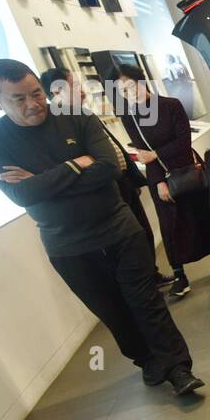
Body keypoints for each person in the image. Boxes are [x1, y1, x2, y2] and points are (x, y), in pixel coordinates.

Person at [0, 59, 203, 396]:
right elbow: (22, 193)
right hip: (68, 248)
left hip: (119, 228)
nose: (34, 104)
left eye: (37, 93)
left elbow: (109, 167)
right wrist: (76, 164)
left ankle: (179, 369)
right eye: (18, 99)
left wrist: (45, 180)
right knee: (114, 313)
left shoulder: (77, 117)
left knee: (146, 301)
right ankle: (148, 362)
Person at [39, 68, 172, 288]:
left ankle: (151, 276)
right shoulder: (62, 125)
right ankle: (145, 284)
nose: (81, 89)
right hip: (107, 189)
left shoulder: (82, 114)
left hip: (123, 181)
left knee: (142, 231)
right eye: (73, 85)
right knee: (132, 238)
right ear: (56, 92)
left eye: (79, 84)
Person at [110, 63, 210, 299]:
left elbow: (183, 141)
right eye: (123, 91)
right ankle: (180, 276)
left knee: (203, 213)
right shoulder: (128, 115)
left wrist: (157, 154)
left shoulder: (171, 105)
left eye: (130, 86)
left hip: (187, 168)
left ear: (141, 81)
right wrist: (159, 179)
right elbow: (143, 153)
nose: (129, 93)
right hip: (158, 176)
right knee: (170, 225)